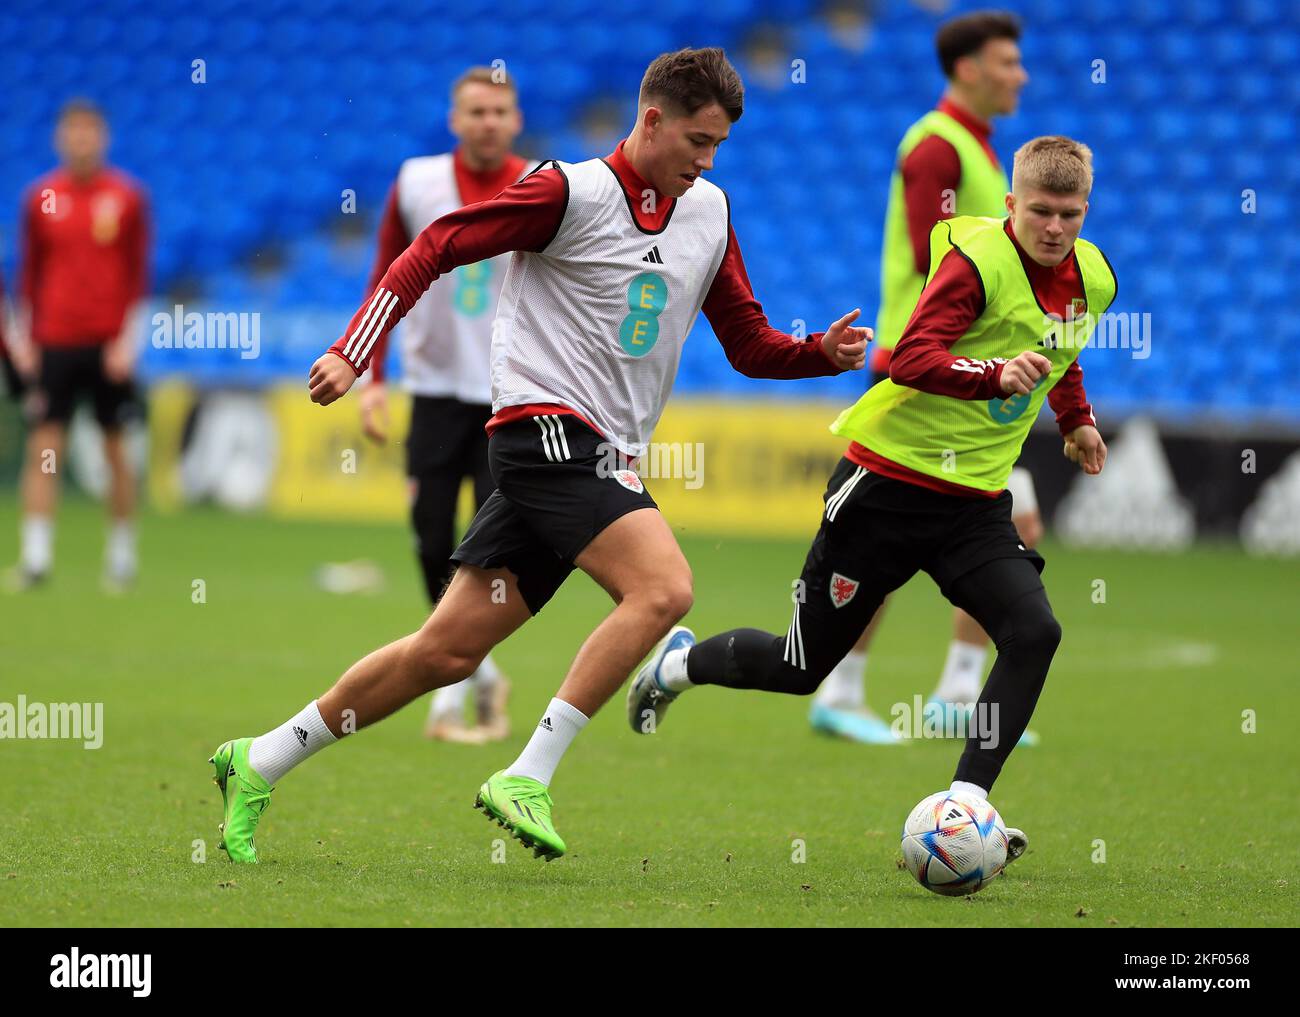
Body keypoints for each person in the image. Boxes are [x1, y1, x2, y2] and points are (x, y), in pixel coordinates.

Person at [209, 47, 868, 863]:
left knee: (444, 652)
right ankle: (529, 771)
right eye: (698, 140)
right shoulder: (569, 191)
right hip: (543, 431)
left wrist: (818, 353)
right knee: (664, 589)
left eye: (719, 146)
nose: (707, 160)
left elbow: (748, 343)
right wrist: (356, 351)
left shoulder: (711, 213)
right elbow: (436, 244)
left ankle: (259, 757)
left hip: (598, 453)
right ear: (652, 119)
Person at [629, 136, 1116, 859]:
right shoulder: (974, 263)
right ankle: (677, 665)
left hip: (974, 506)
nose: (1053, 228)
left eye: (1068, 214)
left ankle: (967, 801)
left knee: (1034, 631)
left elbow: (1061, 349)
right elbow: (913, 355)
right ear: (1011, 205)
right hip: (884, 491)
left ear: (1085, 210)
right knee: (797, 669)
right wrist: (991, 375)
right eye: (1039, 211)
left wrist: (1075, 420)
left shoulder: (1095, 278)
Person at [812, 10, 1043, 745]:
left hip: (968, 373)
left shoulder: (976, 148)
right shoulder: (937, 147)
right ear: (969, 68)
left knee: (1017, 516)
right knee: (880, 544)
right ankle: (844, 690)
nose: (1021, 74)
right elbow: (934, 249)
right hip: (925, 370)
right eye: (1008, 62)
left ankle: (953, 691)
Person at [360, 66, 537, 744]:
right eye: (476, 111)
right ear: (454, 119)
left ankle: (447, 693)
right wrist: (372, 377)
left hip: (509, 397)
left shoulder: (544, 186)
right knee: (431, 537)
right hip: (433, 389)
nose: (488, 121)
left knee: (482, 551)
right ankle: (478, 670)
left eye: (499, 110)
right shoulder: (415, 183)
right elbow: (384, 275)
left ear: (515, 119)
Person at [6, 99, 149, 593]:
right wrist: (24, 341)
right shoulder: (40, 198)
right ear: (60, 139)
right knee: (45, 447)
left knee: (115, 450)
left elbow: (137, 276)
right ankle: (37, 556)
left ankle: (121, 556)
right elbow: (28, 274)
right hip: (55, 342)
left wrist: (129, 340)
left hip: (107, 343)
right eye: (73, 132)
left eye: (90, 132)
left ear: (103, 139)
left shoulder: (127, 198)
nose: (81, 140)